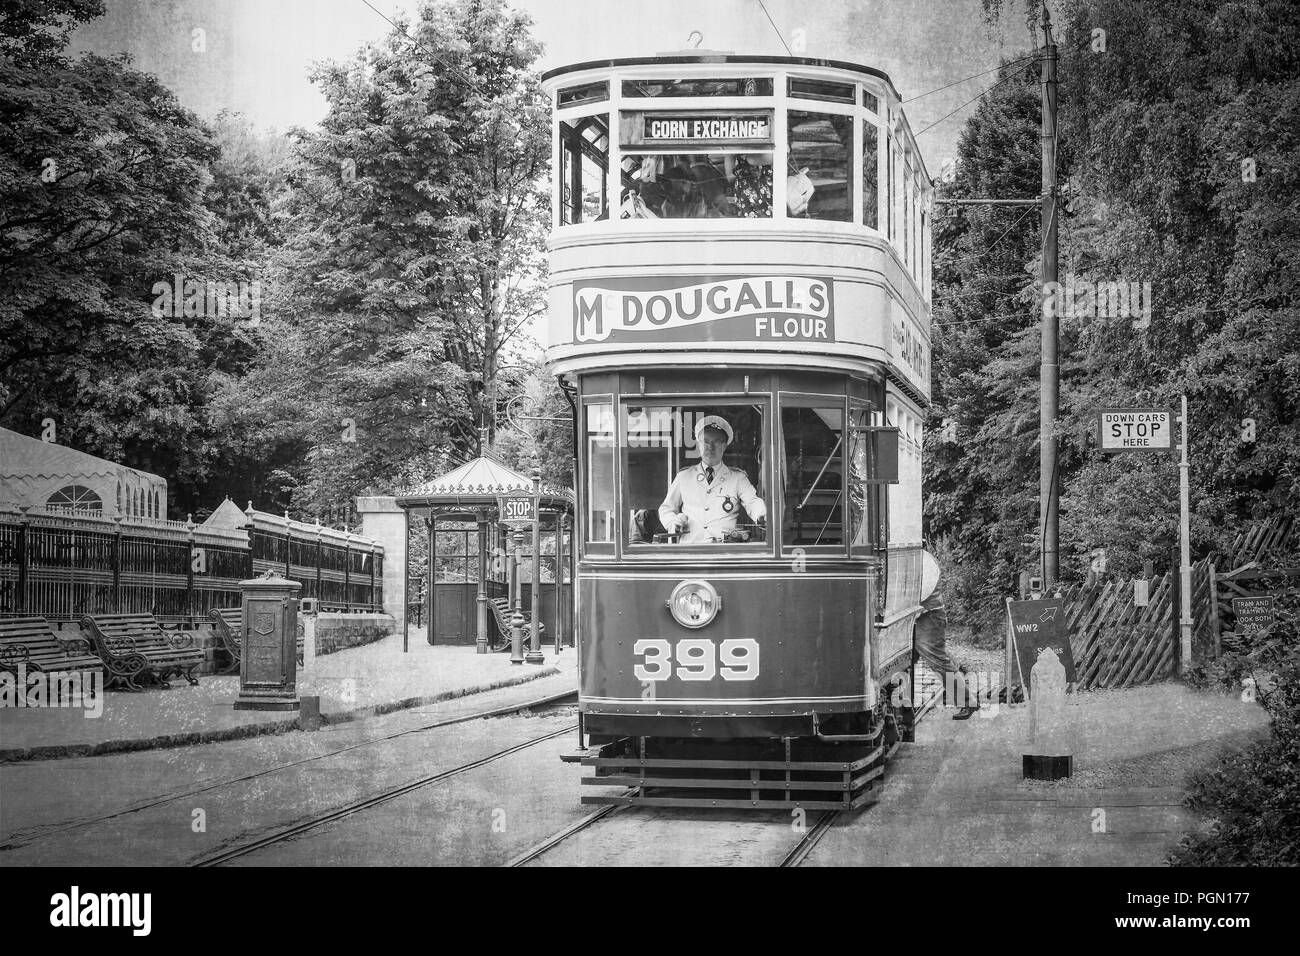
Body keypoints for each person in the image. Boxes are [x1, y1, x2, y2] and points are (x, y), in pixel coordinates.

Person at [659, 416, 766, 543]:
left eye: (717, 441)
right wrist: (673, 522)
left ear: (725, 446)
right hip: (689, 551)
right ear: (698, 444)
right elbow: (666, 508)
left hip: (723, 552)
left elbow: (752, 501)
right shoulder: (684, 476)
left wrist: (762, 515)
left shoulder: (738, 478)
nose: (711, 447)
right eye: (705, 441)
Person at [914, 551, 979, 719]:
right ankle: (957, 669)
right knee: (927, 654)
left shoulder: (921, 561)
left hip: (928, 615)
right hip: (926, 614)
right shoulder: (925, 558)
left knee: (936, 658)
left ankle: (967, 701)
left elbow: (922, 591)